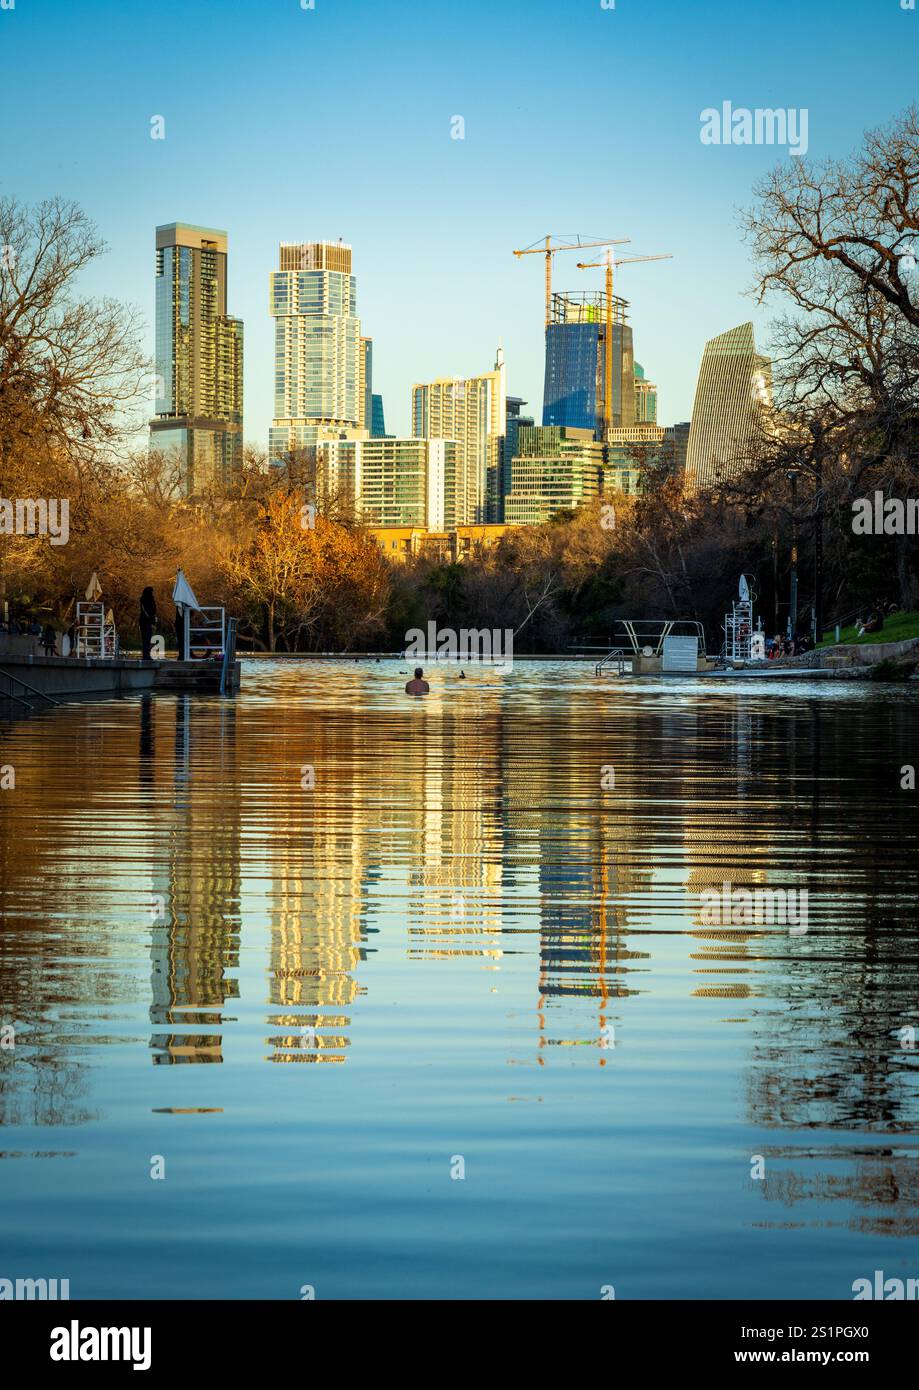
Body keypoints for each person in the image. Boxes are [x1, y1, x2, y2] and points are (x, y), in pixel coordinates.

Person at [139, 586, 157, 660]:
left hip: (142, 621)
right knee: (147, 639)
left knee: (144, 639)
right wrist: (153, 622)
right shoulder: (149, 599)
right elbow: (150, 612)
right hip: (147, 621)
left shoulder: (142, 599)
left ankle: (145, 655)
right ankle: (147, 656)